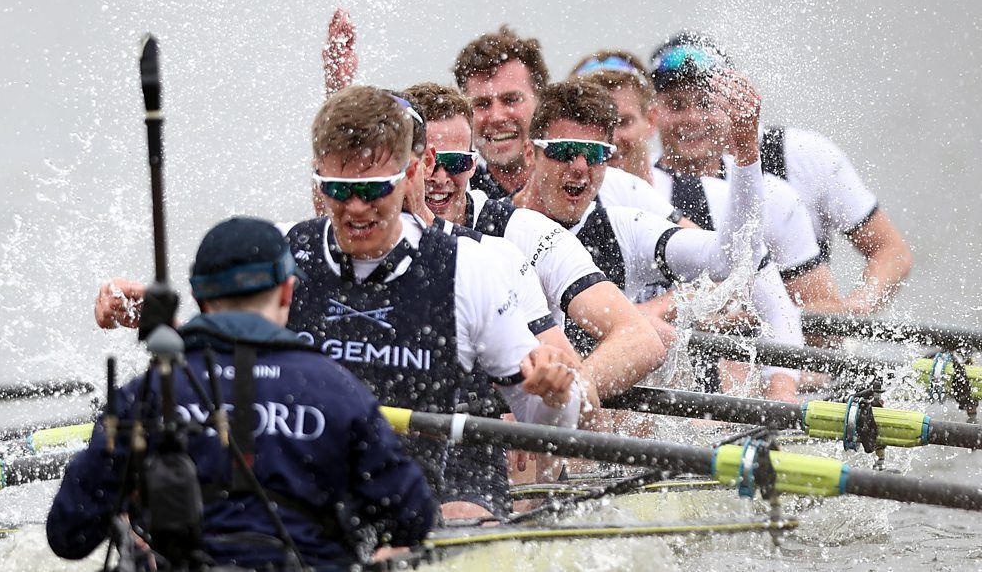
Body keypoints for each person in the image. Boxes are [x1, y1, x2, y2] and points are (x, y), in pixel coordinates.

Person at [49, 217, 435, 569]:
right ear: (287, 292)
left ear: (199, 299)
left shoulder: (148, 393)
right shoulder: (339, 391)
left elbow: (68, 535)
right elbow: (413, 517)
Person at [287, 85, 580, 519]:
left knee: (462, 520)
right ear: (319, 176)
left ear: (409, 174)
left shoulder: (471, 268)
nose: (355, 208)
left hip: (437, 480)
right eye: (338, 189)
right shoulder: (285, 255)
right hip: (313, 482)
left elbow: (548, 425)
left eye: (373, 191)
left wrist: (556, 397)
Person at [512, 79, 803, 402]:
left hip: (588, 419)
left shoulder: (625, 228)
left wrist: (748, 154)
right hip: (522, 411)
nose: (580, 167)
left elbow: (730, 261)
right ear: (529, 154)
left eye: (594, 154)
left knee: (656, 338)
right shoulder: (492, 228)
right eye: (564, 152)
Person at [401, 82, 666, 405]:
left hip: (500, 429)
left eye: (456, 163)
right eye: (428, 163)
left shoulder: (522, 233)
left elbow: (641, 339)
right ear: (407, 165)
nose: (440, 177)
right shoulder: (367, 232)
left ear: (473, 164)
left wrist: (556, 399)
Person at [647, 32, 913, 315]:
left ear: (731, 101)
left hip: (805, 331)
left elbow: (892, 251)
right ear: (653, 114)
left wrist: (858, 306)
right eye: (676, 105)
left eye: (705, 103)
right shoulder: (642, 183)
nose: (692, 119)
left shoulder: (802, 155)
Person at [453, 26, 692, 227]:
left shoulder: (613, 184)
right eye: (482, 104)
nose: (496, 116)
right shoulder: (452, 190)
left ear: (541, 101)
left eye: (511, 100)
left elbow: (715, 261)